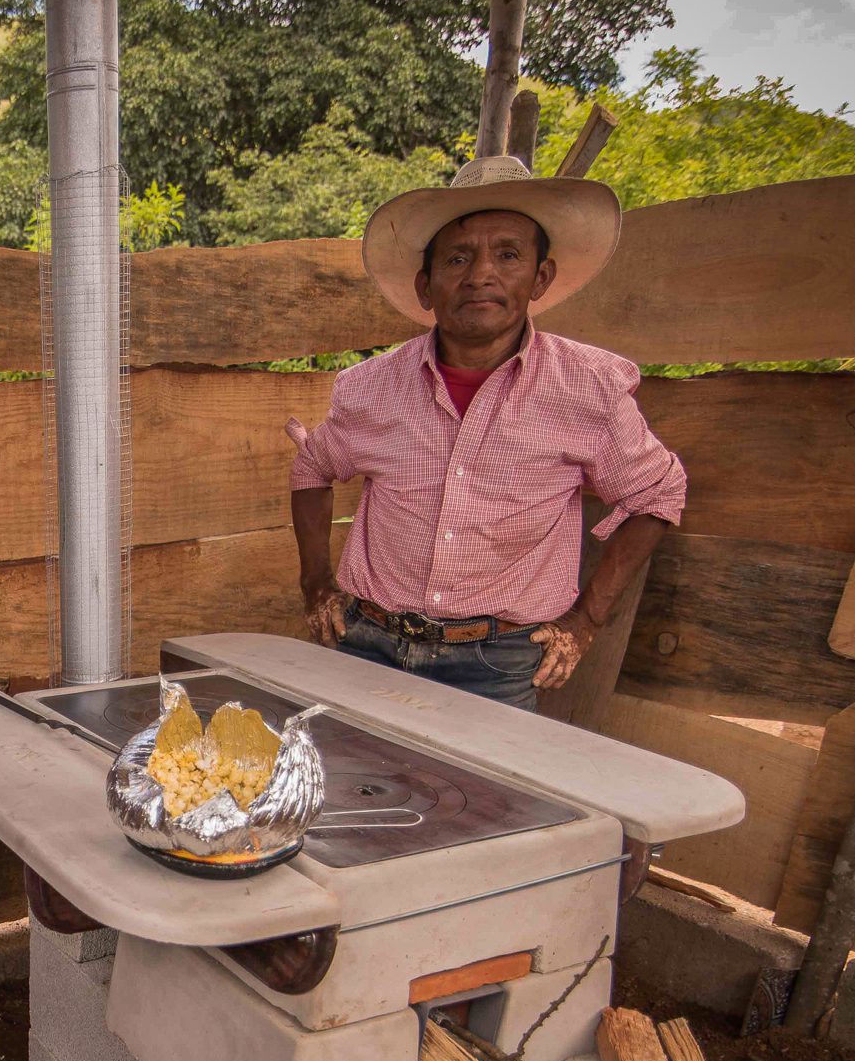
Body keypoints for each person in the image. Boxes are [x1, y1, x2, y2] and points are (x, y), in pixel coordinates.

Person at [285, 154, 688, 710]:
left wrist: (586, 620)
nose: (480, 275)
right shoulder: (372, 385)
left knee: (482, 800)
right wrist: (316, 583)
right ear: (426, 287)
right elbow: (313, 466)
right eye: (457, 258)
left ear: (540, 277)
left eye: (508, 254)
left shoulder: (587, 386)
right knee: (358, 789)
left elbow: (657, 493)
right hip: (368, 644)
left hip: (498, 663)